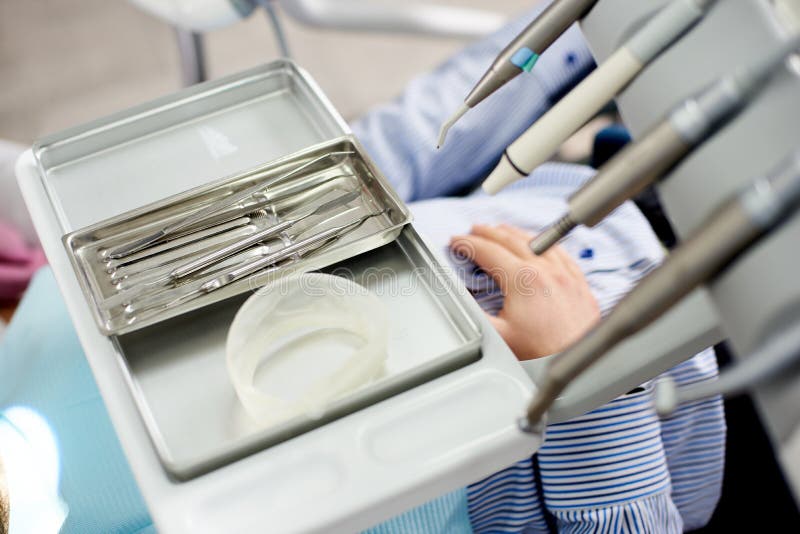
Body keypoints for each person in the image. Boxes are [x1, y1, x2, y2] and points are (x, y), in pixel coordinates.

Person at [0, 5, 724, 533]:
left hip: (618, 193)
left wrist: (566, 36)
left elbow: (379, 163)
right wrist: (590, 387)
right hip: (708, 386)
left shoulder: (48, 312)